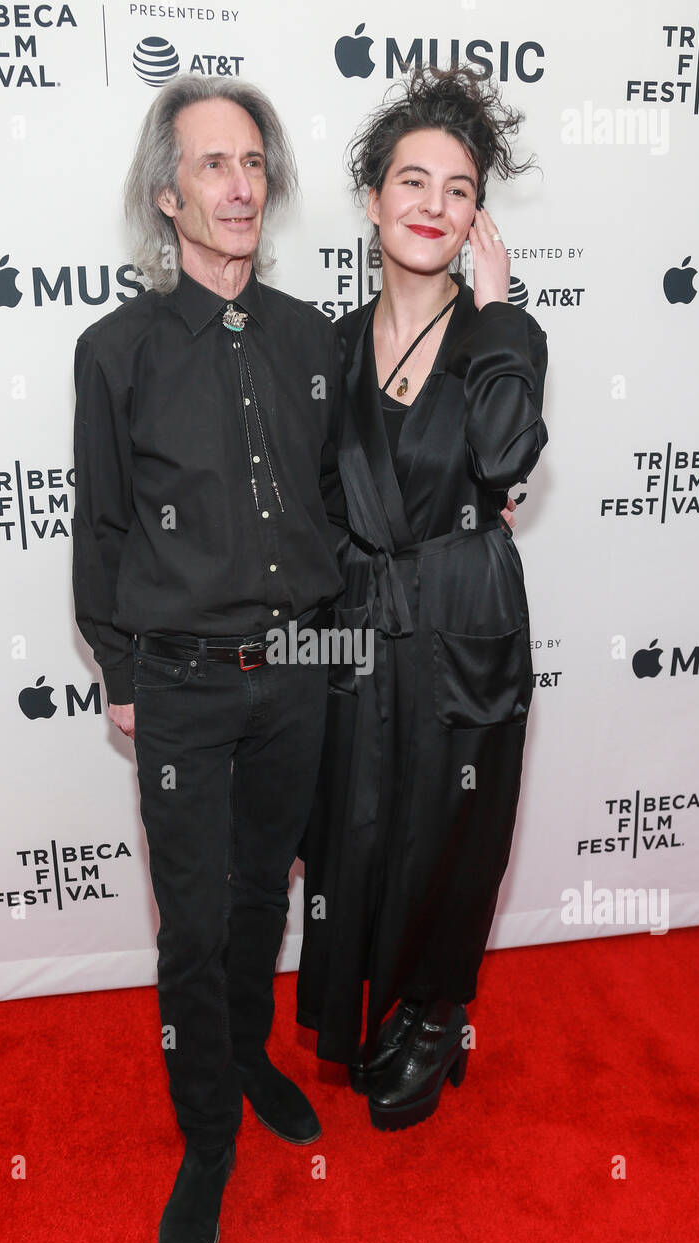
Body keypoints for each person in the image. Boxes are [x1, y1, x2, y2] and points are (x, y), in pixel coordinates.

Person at [71, 75, 348, 1243]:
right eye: (213, 164)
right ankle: (207, 1140)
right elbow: (102, 525)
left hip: (298, 668)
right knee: (188, 924)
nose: (239, 185)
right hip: (178, 681)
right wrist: (122, 670)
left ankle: (246, 1052)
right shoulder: (114, 350)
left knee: (258, 896)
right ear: (165, 193)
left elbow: (351, 498)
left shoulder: (308, 338)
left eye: (253, 163)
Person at [297, 65, 549, 1131]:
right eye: (411, 180)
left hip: (461, 611)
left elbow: (500, 456)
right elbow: (310, 501)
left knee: (454, 821)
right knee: (356, 822)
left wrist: (496, 316)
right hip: (361, 619)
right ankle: (373, 1005)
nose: (430, 204)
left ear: (474, 218)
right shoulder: (332, 345)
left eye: (455, 189)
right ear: (370, 199)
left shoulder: (506, 336)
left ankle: (437, 1013)